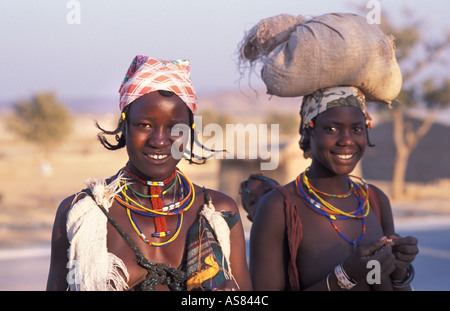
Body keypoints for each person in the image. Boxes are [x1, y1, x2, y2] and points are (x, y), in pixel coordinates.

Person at [46, 55, 251, 291]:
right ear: (124, 125)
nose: (159, 140)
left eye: (175, 128)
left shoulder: (218, 212)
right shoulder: (83, 214)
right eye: (144, 125)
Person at [249, 86, 419, 291]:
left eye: (357, 129)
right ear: (307, 130)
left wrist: (399, 271)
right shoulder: (280, 206)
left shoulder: (374, 200)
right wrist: (344, 277)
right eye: (332, 129)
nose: (347, 140)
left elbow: (379, 283)